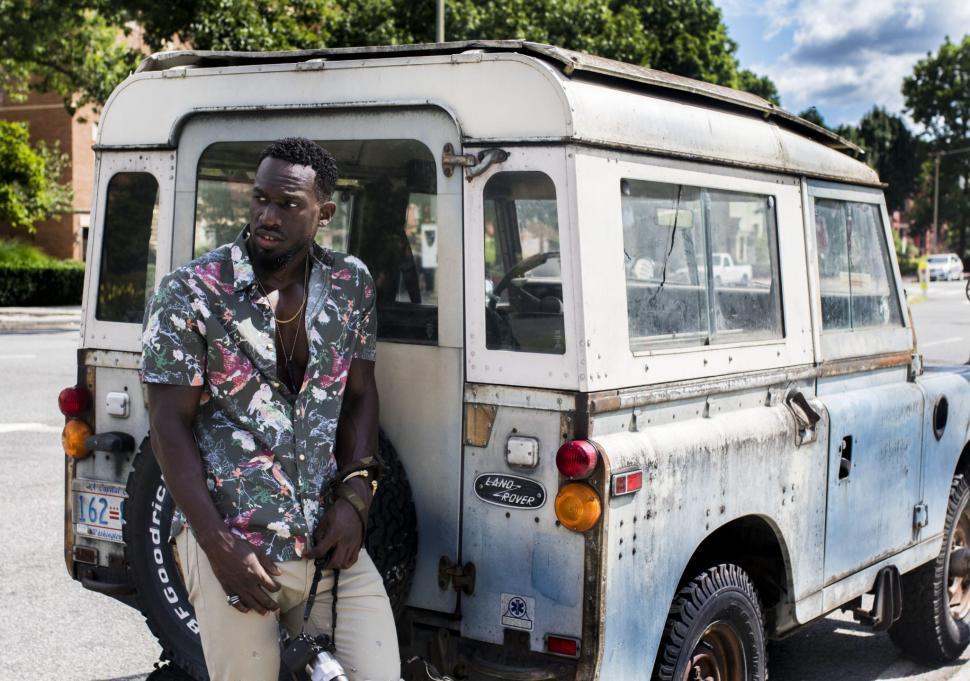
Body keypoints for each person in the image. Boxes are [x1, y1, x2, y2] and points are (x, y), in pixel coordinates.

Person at [142, 137, 400, 681]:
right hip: (235, 542)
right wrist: (217, 545)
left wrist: (356, 500)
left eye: (288, 204)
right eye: (260, 198)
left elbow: (360, 395)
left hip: (326, 541)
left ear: (324, 212)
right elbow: (167, 424)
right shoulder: (192, 291)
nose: (268, 215)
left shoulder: (350, 284)